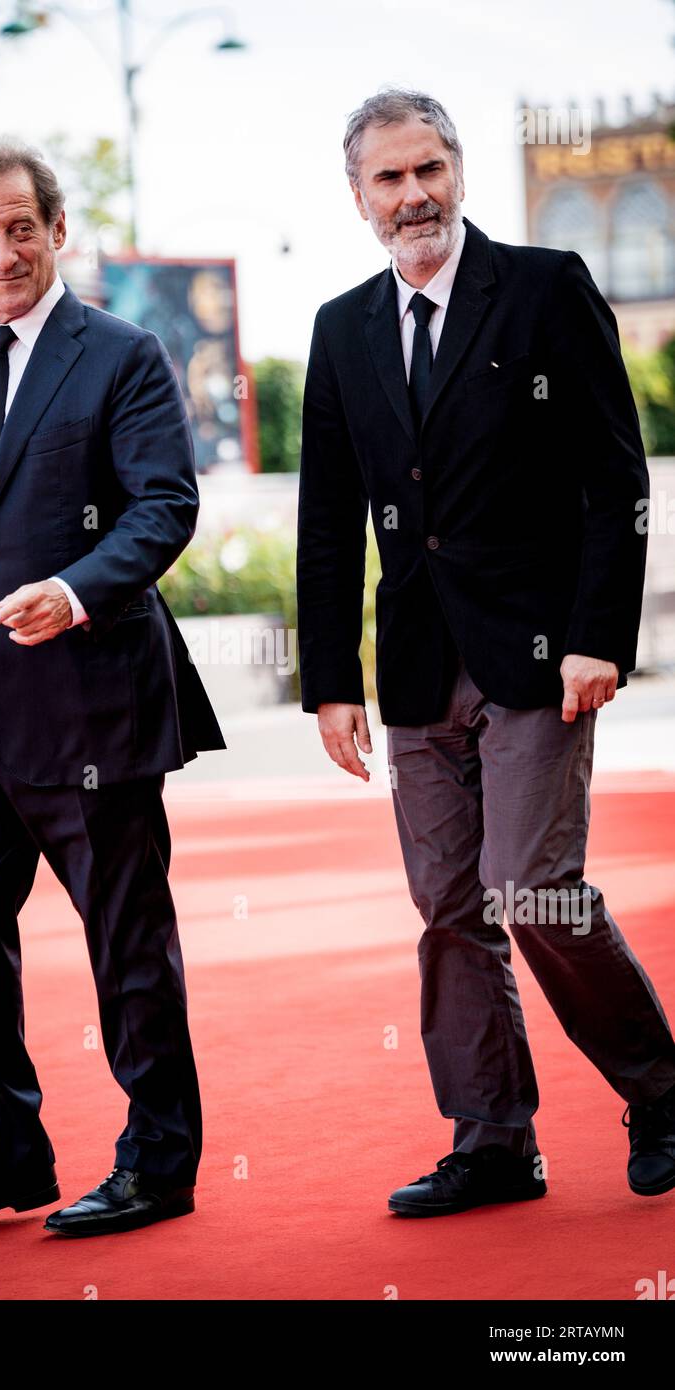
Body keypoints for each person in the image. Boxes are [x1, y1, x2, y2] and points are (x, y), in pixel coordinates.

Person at [296, 87, 675, 1217]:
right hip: (414, 660)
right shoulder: (339, 328)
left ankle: (659, 1089)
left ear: (456, 172)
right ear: (356, 196)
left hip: (542, 651)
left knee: (529, 889)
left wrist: (600, 637)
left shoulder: (545, 287)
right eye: (387, 178)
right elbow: (326, 521)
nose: (410, 195)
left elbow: (616, 482)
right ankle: (492, 1139)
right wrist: (328, 681)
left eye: (427, 170)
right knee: (448, 905)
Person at [0, 138, 225, 1238]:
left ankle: (156, 1162)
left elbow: (163, 506)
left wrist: (75, 590)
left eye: (19, 227)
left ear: (56, 229)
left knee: (126, 945)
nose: (2, 251)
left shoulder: (123, 352)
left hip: (93, 700)